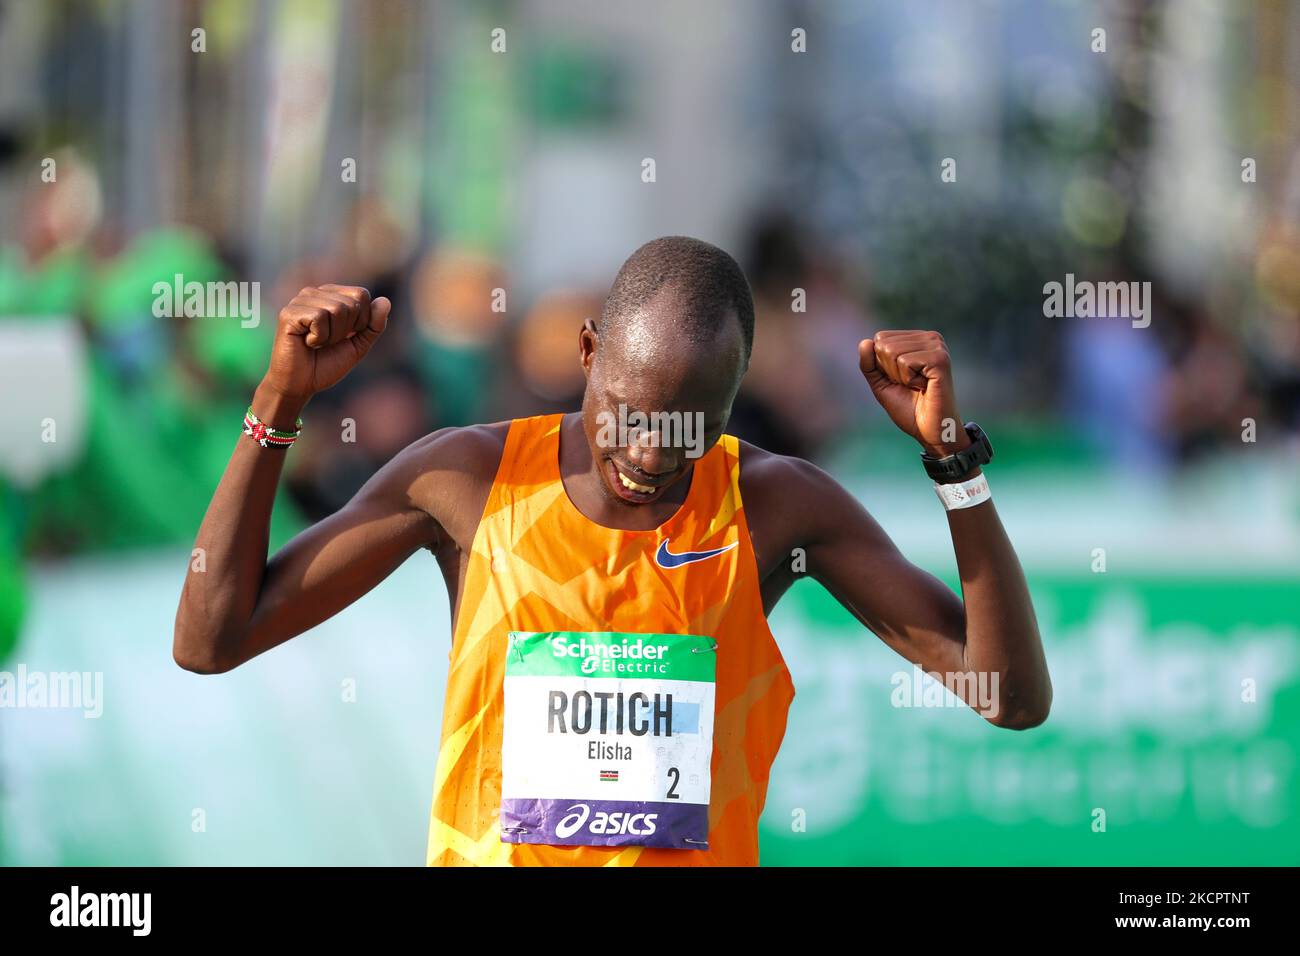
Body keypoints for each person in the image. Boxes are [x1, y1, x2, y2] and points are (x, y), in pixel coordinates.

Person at [173, 236, 1051, 867]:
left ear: (733, 397)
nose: (649, 456)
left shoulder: (775, 506)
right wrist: (279, 402)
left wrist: (953, 465)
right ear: (588, 351)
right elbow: (210, 640)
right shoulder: (466, 480)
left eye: (691, 427)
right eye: (628, 415)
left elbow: (1009, 697)